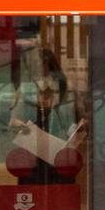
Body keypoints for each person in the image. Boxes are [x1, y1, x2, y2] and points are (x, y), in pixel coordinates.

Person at [8, 46, 85, 185]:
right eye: (36, 69)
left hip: (61, 158)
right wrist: (20, 126)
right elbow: (13, 122)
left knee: (60, 198)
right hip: (32, 159)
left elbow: (82, 121)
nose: (42, 76)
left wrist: (79, 130)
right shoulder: (25, 91)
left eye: (45, 69)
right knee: (31, 199)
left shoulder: (67, 90)